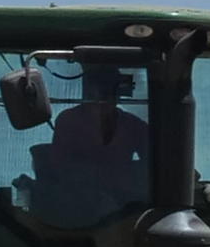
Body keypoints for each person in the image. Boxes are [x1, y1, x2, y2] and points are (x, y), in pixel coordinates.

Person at [25, 55, 151, 229]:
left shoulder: (133, 125)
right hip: (76, 207)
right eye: (98, 92)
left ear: (119, 93)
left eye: (109, 92)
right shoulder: (69, 121)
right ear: (88, 92)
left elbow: (154, 164)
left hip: (123, 208)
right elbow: (62, 169)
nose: (103, 99)